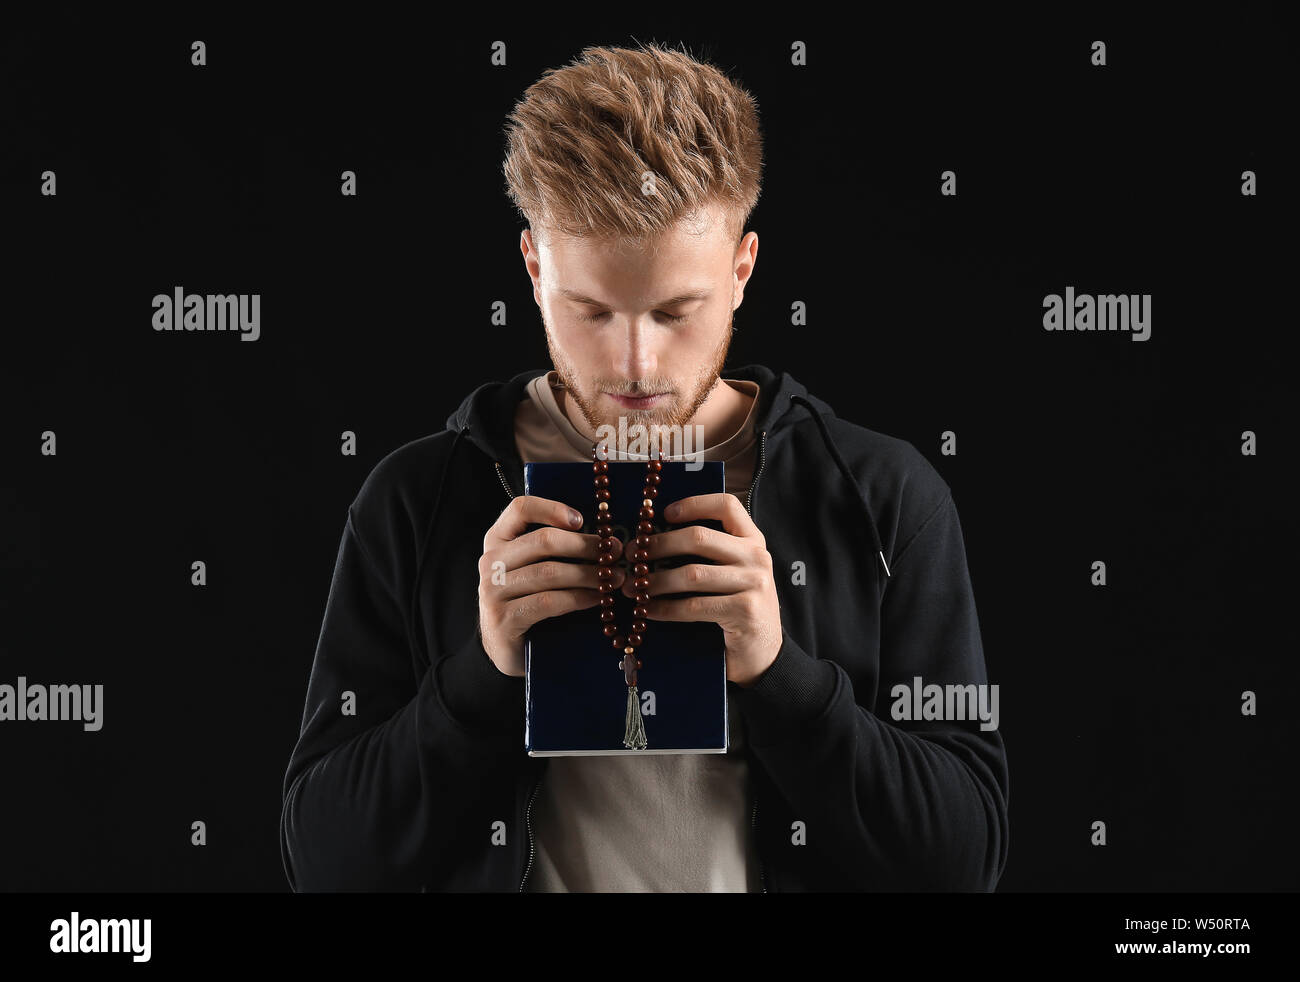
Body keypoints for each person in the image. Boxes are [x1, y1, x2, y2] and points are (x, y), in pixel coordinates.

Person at [280, 42, 1009, 892]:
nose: (634, 364)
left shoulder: (886, 498)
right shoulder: (415, 502)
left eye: (675, 310)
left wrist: (783, 676)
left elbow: (964, 865)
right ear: (533, 267)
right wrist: (481, 680)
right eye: (591, 310)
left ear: (741, 271)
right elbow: (322, 865)